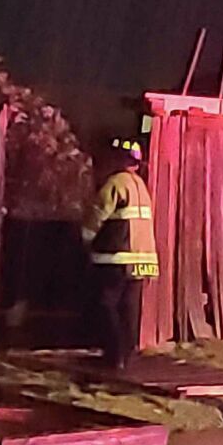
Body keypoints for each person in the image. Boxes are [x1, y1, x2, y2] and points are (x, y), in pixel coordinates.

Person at [80, 139, 158, 372]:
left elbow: (96, 214)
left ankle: (114, 356)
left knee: (106, 304)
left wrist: (84, 238)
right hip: (142, 262)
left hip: (117, 259)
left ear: (121, 159)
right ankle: (127, 354)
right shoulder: (141, 187)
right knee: (129, 308)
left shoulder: (115, 184)